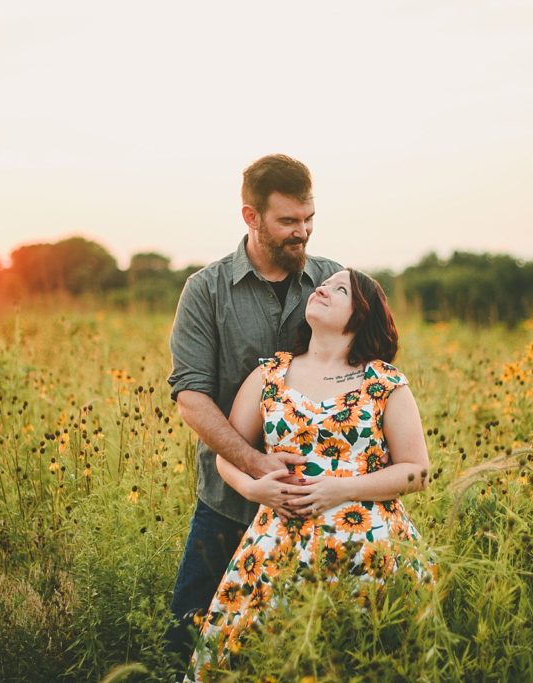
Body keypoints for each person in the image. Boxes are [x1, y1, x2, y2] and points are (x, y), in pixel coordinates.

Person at [186, 269, 432, 681]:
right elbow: (227, 452)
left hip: (370, 556)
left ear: (361, 315)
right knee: (257, 663)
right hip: (275, 553)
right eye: (325, 284)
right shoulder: (269, 375)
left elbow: (417, 471)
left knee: (366, 663)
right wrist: (254, 487)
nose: (323, 289)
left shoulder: (384, 383)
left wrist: (342, 489)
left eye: (341, 289)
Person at [165, 155, 342, 665]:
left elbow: (369, 375)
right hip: (228, 505)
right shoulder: (207, 290)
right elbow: (192, 397)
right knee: (187, 643)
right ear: (250, 217)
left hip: (319, 505)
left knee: (311, 650)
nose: (302, 232)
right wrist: (257, 465)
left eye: (309, 218)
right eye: (288, 221)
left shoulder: (334, 283)